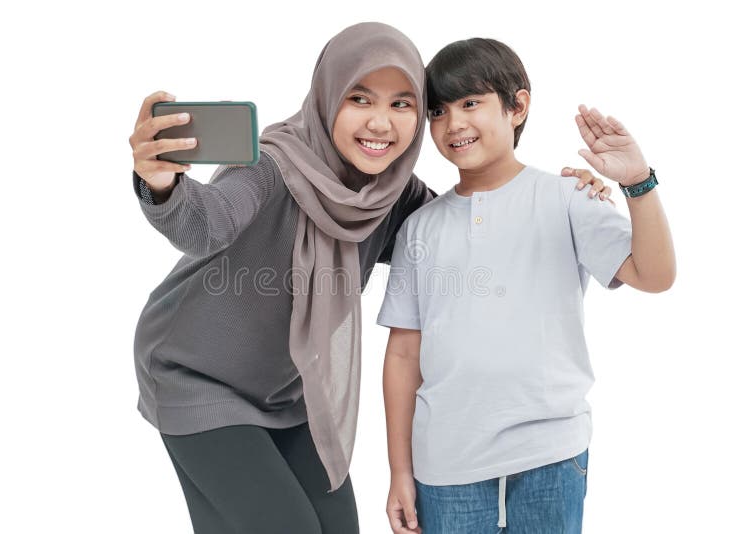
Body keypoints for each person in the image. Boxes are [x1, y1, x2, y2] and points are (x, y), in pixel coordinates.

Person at [128, 23, 612, 533]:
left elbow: (467, 229)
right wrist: (160, 182)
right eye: (360, 98)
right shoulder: (272, 165)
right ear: (328, 96)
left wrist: (570, 194)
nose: (381, 123)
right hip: (194, 375)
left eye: (402, 104)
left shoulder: (394, 197)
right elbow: (206, 223)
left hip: (286, 391)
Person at [378, 38, 675, 534]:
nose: (454, 124)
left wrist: (638, 183)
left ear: (518, 106)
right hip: (446, 462)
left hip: (550, 453)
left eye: (471, 103)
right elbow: (404, 354)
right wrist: (399, 472)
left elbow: (655, 275)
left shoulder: (568, 197)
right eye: (438, 110)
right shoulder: (420, 228)